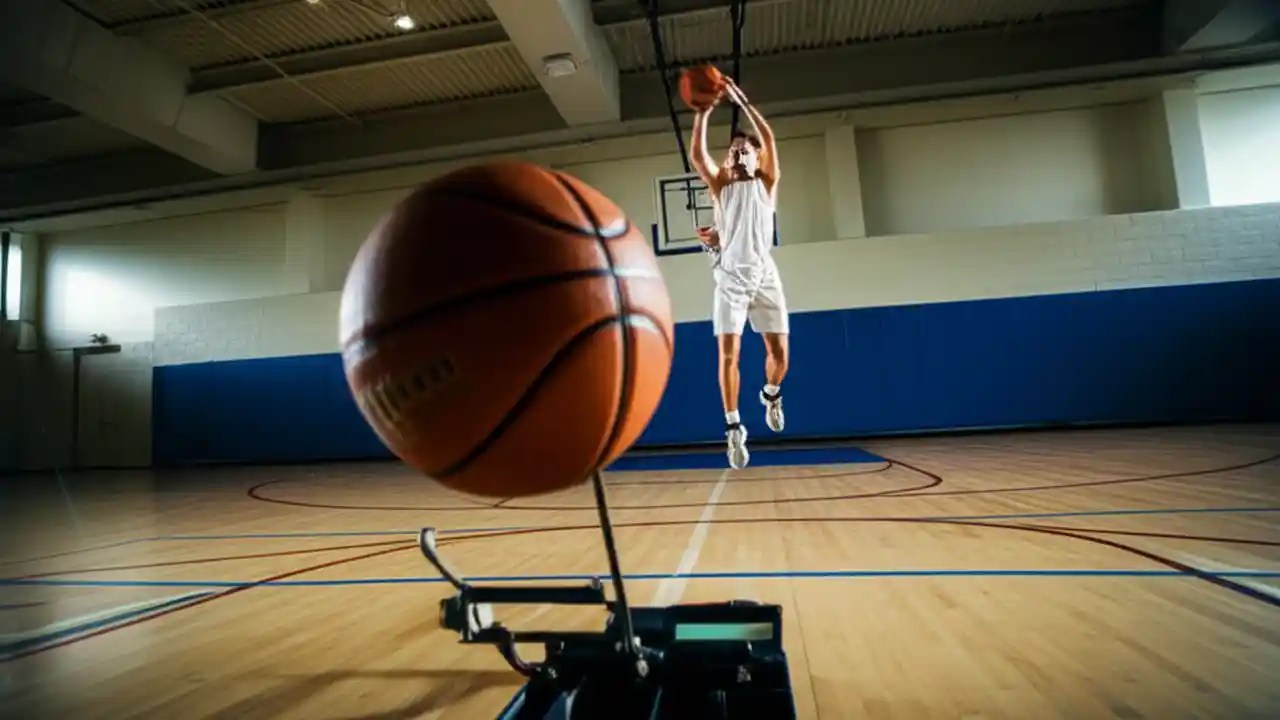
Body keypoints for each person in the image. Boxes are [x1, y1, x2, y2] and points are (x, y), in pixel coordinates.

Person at [689, 77, 789, 470]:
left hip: (765, 276)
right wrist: (703, 111)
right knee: (728, 355)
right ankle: (733, 428)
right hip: (729, 278)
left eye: (742, 150)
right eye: (731, 152)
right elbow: (698, 155)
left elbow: (767, 134)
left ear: (756, 156)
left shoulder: (767, 182)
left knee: (779, 357)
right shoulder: (721, 186)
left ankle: (770, 395)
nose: (735, 155)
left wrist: (740, 100)